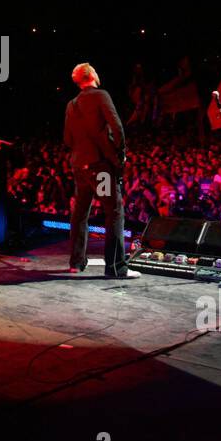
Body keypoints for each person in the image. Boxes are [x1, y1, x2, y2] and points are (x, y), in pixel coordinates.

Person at [63, 63, 138, 279]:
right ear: (92, 74)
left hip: (80, 168)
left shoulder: (72, 104)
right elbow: (117, 126)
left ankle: (76, 263)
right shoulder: (100, 95)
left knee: (80, 214)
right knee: (113, 211)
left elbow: (68, 139)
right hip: (100, 168)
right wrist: (120, 152)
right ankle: (116, 267)